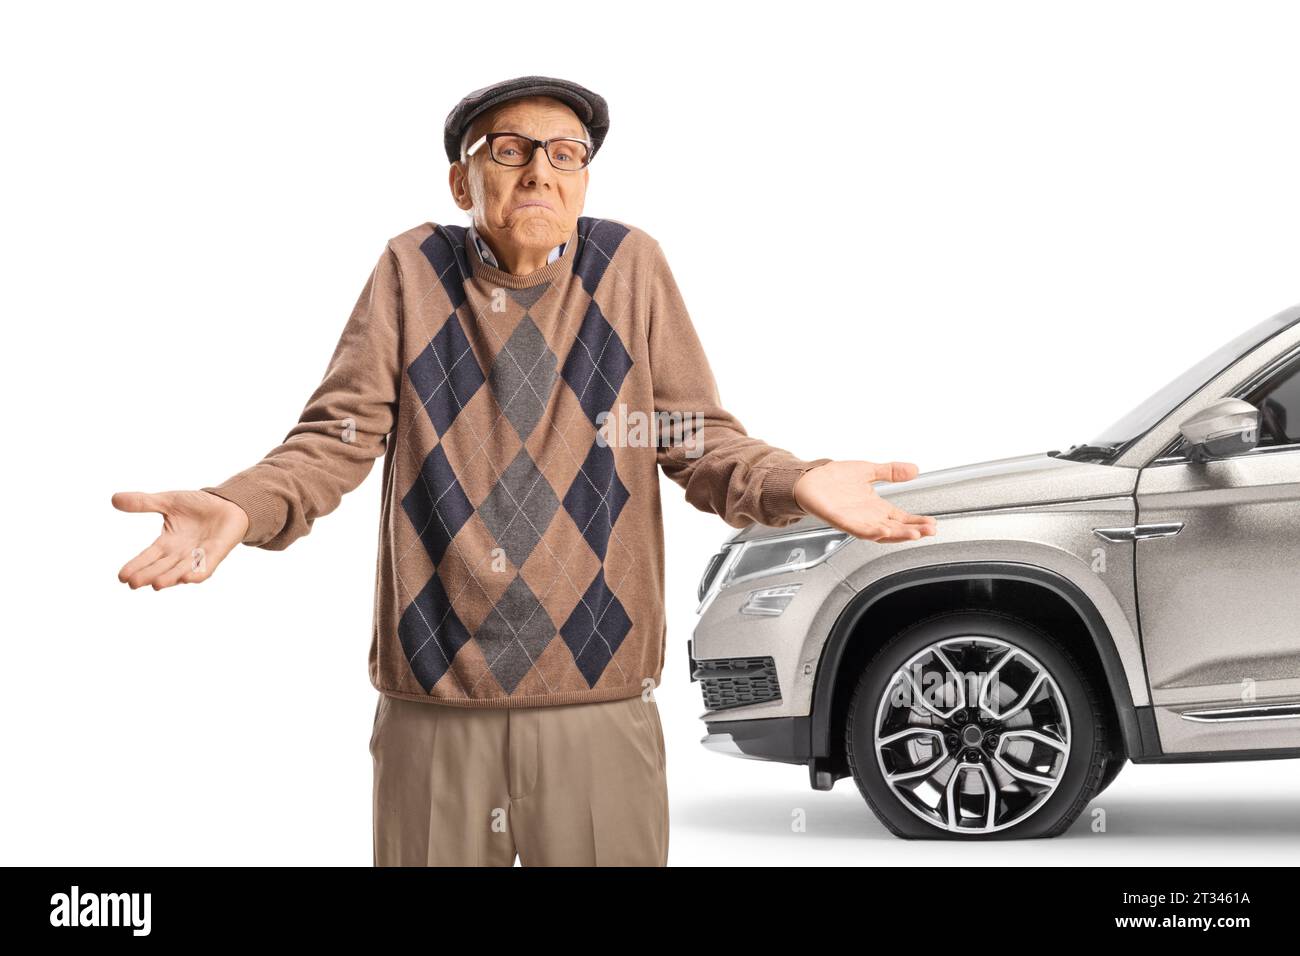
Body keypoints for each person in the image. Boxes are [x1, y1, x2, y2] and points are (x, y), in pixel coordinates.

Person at [113, 75, 937, 866]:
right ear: (460, 179)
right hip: (434, 708)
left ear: (583, 177)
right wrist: (240, 505)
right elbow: (338, 435)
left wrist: (796, 479)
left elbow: (689, 437)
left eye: (565, 154)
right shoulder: (412, 268)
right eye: (508, 151)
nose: (540, 169)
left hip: (599, 701)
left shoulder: (628, 267)